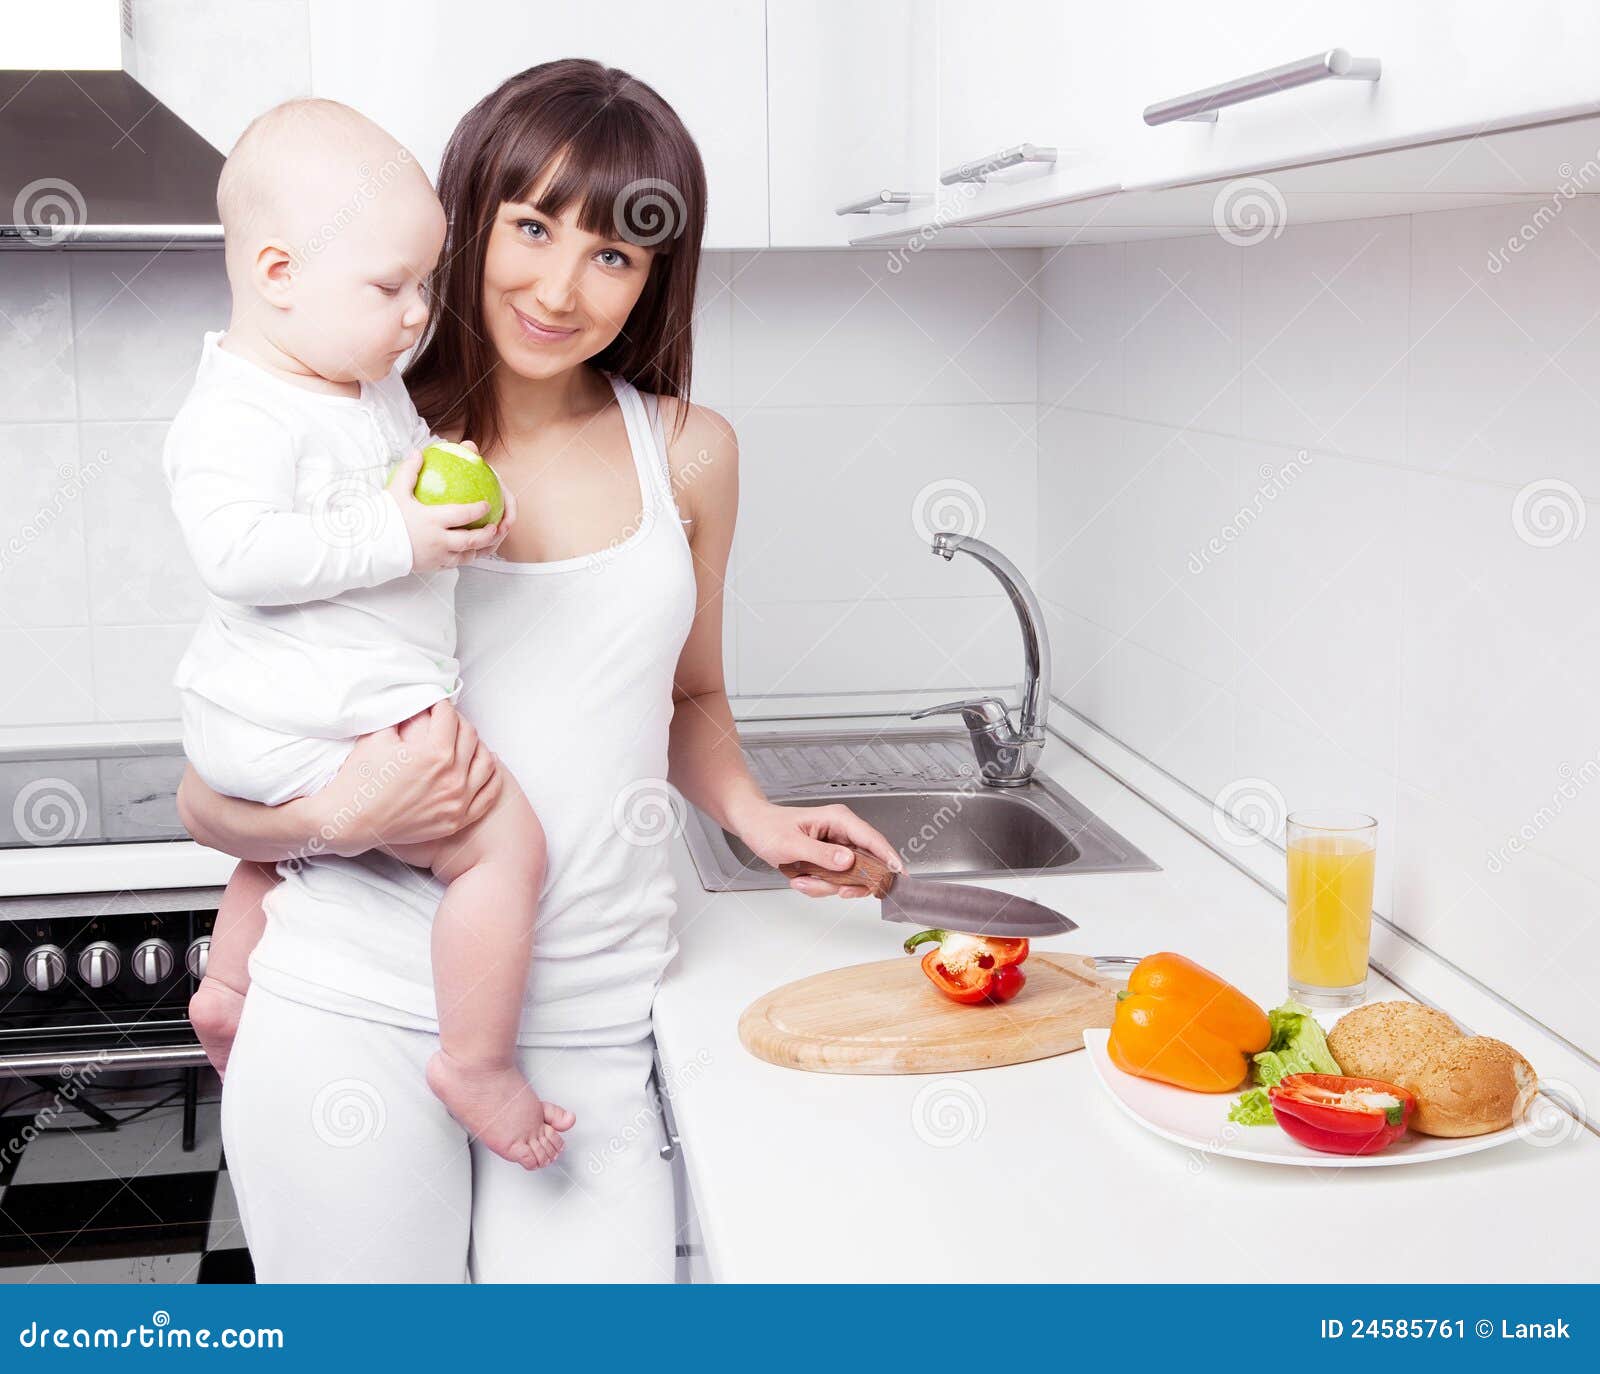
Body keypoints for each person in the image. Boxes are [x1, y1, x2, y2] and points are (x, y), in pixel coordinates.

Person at [178, 60, 899, 1283]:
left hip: (586, 1019)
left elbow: (687, 697)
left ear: (657, 275)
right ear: (466, 219)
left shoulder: (688, 453)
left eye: (616, 253)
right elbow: (219, 767)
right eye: (531, 227)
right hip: (351, 997)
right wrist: (331, 816)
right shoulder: (362, 441)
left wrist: (756, 815)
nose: (562, 286)